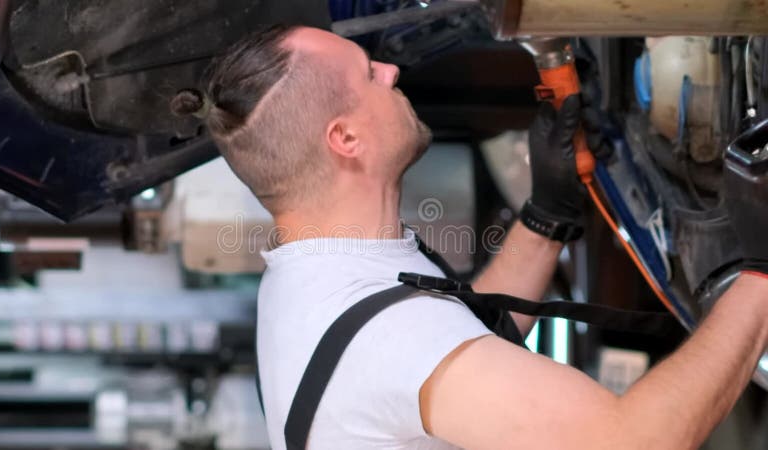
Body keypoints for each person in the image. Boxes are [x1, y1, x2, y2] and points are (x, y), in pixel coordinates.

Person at [171, 24, 768, 450]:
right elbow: (643, 438)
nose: (391, 69)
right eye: (368, 74)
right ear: (344, 139)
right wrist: (758, 267)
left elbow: (469, 338)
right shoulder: (384, 340)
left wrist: (547, 214)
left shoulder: (313, 276)